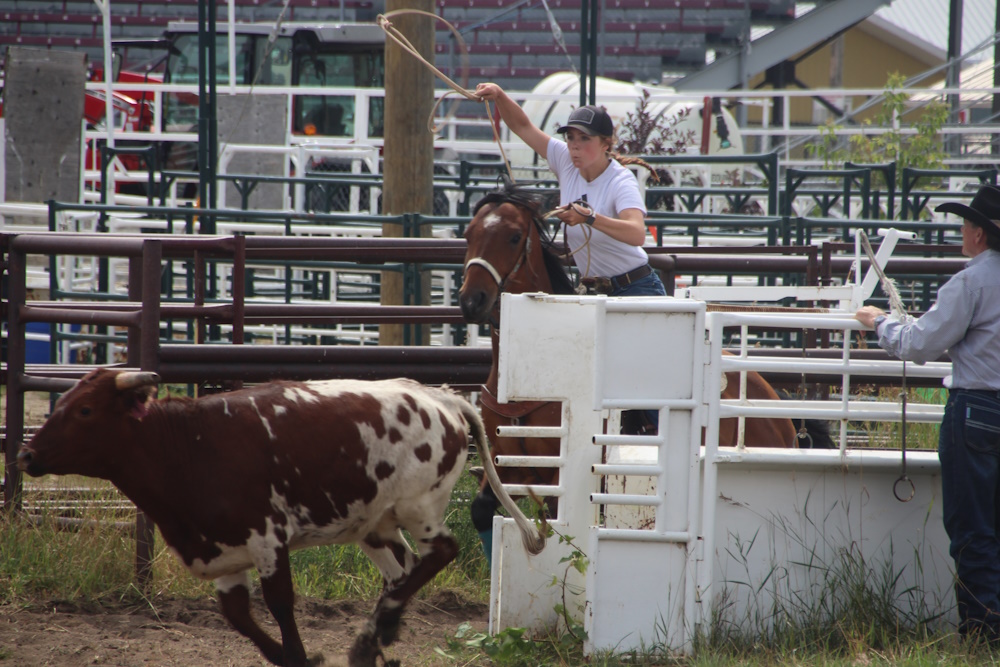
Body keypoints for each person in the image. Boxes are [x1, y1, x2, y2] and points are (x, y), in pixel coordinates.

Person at [855, 184, 1000, 642]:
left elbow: (920, 343)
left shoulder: (971, 282)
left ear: (978, 233)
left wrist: (881, 322)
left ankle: (984, 631)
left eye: (966, 224)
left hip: (977, 408)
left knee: (974, 528)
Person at [474, 83, 666, 299]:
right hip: (596, 292)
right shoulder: (565, 159)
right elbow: (523, 127)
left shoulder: (620, 181)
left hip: (636, 287)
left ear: (606, 144)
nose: (575, 145)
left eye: (585, 138)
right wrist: (499, 95)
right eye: (571, 137)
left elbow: (637, 233)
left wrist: (589, 218)